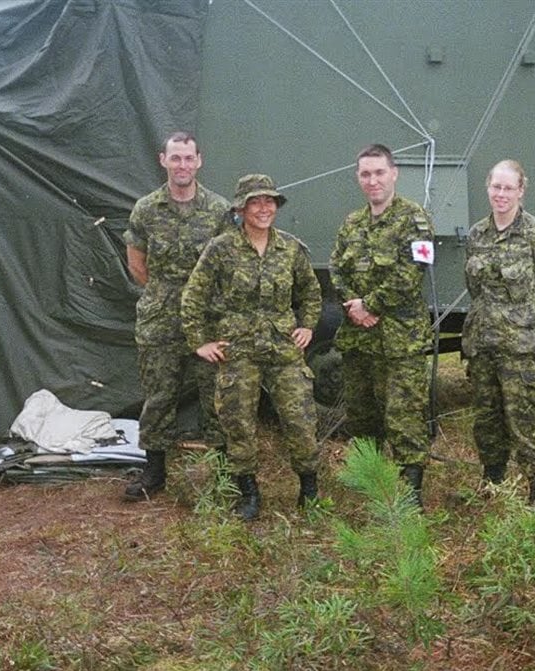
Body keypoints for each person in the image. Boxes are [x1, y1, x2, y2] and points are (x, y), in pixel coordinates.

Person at [181, 174, 323, 520]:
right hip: (239, 348)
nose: (264, 208)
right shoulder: (221, 249)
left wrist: (307, 325)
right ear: (241, 209)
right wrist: (199, 341)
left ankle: (309, 488)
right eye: (256, 202)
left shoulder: (290, 248)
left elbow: (310, 292)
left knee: (300, 418)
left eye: (270, 201)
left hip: (282, 347)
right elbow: (193, 296)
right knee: (238, 422)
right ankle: (248, 491)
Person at [122, 132, 230, 501]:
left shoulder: (218, 210)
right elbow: (136, 263)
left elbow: (229, 262)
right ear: (163, 160)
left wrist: (200, 299)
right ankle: (153, 473)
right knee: (159, 395)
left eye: (188, 158)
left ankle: (223, 473)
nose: (182, 165)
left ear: (199, 160)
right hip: (161, 318)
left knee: (216, 393)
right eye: (175, 158)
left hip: (209, 319)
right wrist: (166, 293)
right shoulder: (147, 209)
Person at [330, 144, 435, 507]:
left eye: (378, 173)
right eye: (365, 174)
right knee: (361, 415)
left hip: (399, 341)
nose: (372, 180)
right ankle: (371, 482)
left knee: (404, 416)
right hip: (359, 339)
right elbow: (337, 271)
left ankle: (410, 494)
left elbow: (413, 272)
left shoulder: (415, 219)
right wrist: (354, 309)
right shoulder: (352, 223)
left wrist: (370, 305)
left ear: (394, 174)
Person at [462, 160, 535, 504]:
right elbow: (474, 287)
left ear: (521, 191)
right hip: (483, 346)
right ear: (487, 188)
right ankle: (493, 484)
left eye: (509, 188)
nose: (501, 195)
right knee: (487, 420)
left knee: (527, 421)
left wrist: (526, 324)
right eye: (496, 187)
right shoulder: (477, 234)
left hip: (522, 350)